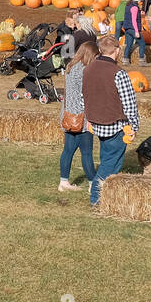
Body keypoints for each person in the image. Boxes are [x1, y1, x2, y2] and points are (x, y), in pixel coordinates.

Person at [84, 34, 139, 206]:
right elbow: (129, 103)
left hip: (97, 124)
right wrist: (134, 126)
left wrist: (89, 119)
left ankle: (104, 195)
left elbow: (83, 97)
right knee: (110, 165)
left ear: (101, 50)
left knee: (106, 157)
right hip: (115, 126)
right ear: (116, 51)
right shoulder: (119, 73)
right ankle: (96, 198)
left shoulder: (88, 69)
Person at [57, 40, 98, 192]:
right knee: (86, 152)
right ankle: (92, 183)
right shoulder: (85, 71)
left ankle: (64, 182)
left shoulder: (70, 67)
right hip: (82, 118)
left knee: (68, 150)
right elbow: (85, 96)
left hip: (68, 115)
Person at [121, 0, 147, 66]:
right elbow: (133, 20)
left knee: (129, 44)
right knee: (142, 43)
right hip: (133, 28)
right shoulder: (135, 8)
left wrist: (140, 13)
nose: (141, 2)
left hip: (127, 28)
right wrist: (136, 31)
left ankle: (125, 60)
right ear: (138, 1)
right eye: (140, 1)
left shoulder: (128, 5)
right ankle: (142, 60)